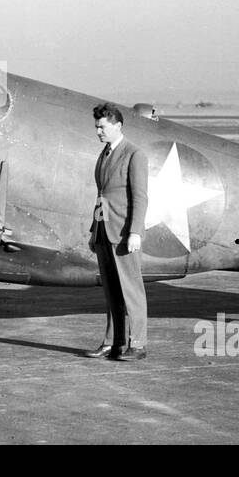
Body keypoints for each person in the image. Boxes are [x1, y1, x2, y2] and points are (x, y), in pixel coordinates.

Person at [86, 103, 149, 361]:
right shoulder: (104, 154)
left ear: (118, 126)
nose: (98, 131)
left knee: (131, 289)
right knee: (111, 291)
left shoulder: (134, 154)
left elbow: (140, 197)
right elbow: (102, 196)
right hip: (103, 232)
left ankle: (139, 344)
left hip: (124, 233)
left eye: (102, 126)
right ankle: (114, 343)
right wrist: (94, 231)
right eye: (97, 127)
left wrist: (135, 232)